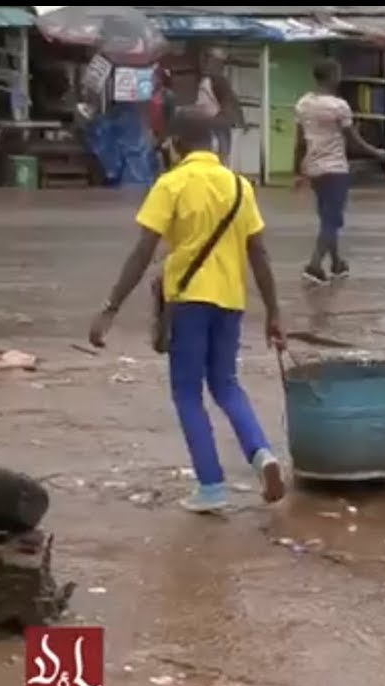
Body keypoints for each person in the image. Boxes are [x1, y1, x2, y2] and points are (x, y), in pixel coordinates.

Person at [87, 109, 287, 513]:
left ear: (175, 144)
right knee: (227, 385)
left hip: (188, 301)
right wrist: (274, 312)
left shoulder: (172, 183)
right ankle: (262, 453)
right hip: (230, 300)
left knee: (186, 393)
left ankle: (211, 486)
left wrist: (110, 306)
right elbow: (259, 253)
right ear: (212, 144)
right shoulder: (238, 185)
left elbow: (144, 249)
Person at [294, 58, 385, 284]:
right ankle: (314, 265)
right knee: (332, 220)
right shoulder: (339, 106)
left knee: (328, 218)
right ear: (332, 76)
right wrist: (377, 152)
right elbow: (354, 140)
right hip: (336, 168)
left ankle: (337, 263)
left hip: (313, 168)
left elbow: (299, 142)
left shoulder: (303, 104)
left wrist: (298, 170)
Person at [195, 48, 243, 166]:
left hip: (215, 117)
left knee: (219, 149)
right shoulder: (215, 79)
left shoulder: (213, 79)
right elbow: (229, 100)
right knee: (221, 148)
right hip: (216, 117)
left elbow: (228, 100)